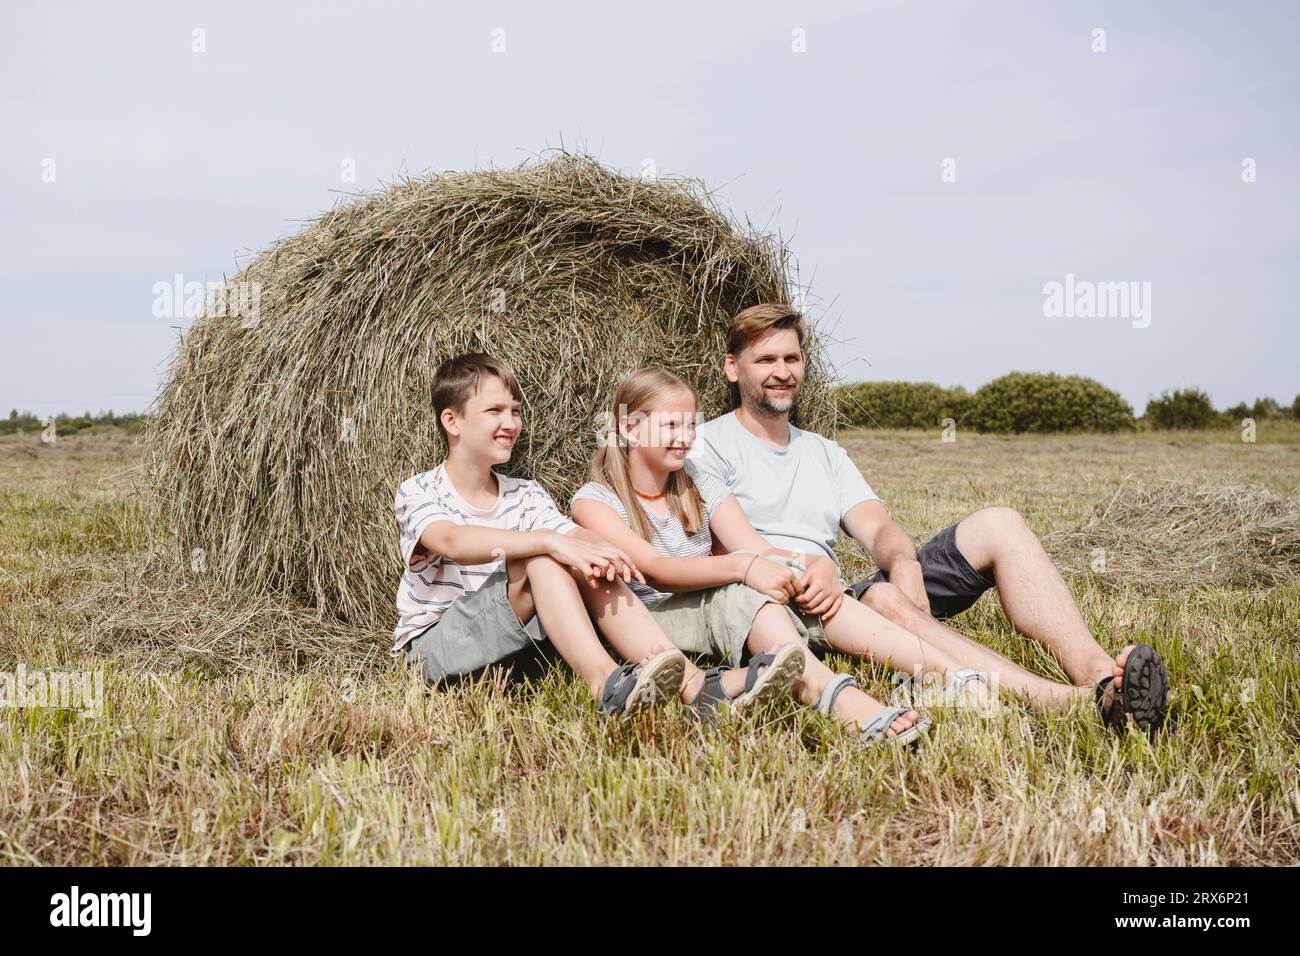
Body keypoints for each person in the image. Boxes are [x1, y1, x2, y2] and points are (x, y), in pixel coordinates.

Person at [685, 304, 1170, 733]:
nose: (781, 371)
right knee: (882, 596)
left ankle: (1102, 675)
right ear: (733, 368)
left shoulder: (825, 453)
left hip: (837, 590)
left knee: (999, 523)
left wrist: (903, 562)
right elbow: (724, 547)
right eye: (765, 360)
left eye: (791, 359)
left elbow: (877, 527)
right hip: (785, 602)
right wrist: (818, 567)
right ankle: (1068, 704)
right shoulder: (707, 444)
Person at [572, 366, 937, 746]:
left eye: (690, 426)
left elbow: (758, 548)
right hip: (651, 622)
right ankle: (834, 697)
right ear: (630, 429)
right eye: (671, 427)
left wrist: (812, 564)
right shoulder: (594, 501)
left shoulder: (700, 484)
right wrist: (744, 568)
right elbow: (657, 570)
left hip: (709, 608)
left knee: (804, 588)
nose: (685, 438)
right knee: (744, 589)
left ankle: (941, 671)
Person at [392, 352, 688, 716]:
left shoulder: (525, 492)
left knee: (582, 559)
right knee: (544, 559)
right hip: (437, 650)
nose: (510, 423)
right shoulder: (419, 490)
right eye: (494, 411)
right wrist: (549, 542)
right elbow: (451, 540)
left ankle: (687, 680)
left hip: (517, 652)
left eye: (515, 411)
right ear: (452, 421)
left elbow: (571, 533)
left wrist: (601, 548)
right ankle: (607, 684)